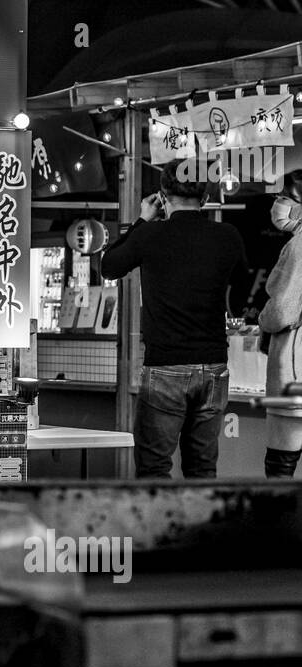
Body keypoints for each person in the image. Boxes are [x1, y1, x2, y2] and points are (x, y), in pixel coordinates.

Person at [101, 163, 246, 479]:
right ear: (205, 196)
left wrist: (141, 219)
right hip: (213, 367)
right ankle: (200, 529)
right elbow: (243, 294)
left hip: (165, 367)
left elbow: (109, 266)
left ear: (162, 196)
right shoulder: (228, 236)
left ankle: (160, 528)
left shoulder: (151, 234)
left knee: (154, 467)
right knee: (203, 467)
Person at [259, 171, 302, 477]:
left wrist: (263, 318)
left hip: (295, 372)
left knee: (281, 467)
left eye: (285, 198)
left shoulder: (298, 247)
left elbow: (282, 312)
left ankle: (279, 525)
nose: (278, 204)